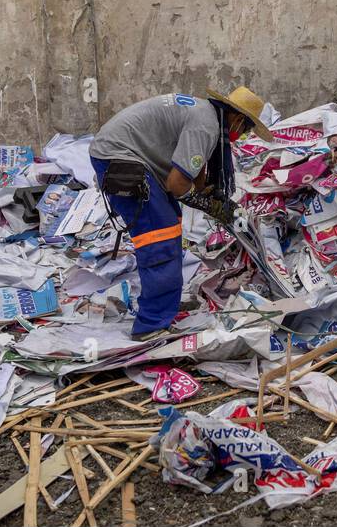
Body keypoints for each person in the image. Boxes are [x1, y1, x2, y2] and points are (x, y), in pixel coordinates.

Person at [89, 86, 273, 340]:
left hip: (130, 155)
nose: (240, 136)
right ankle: (151, 324)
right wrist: (206, 205)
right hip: (119, 157)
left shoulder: (207, 115)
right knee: (160, 237)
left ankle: (165, 305)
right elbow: (176, 185)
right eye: (245, 131)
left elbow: (191, 168)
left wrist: (204, 193)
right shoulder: (206, 125)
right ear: (239, 120)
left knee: (171, 223)